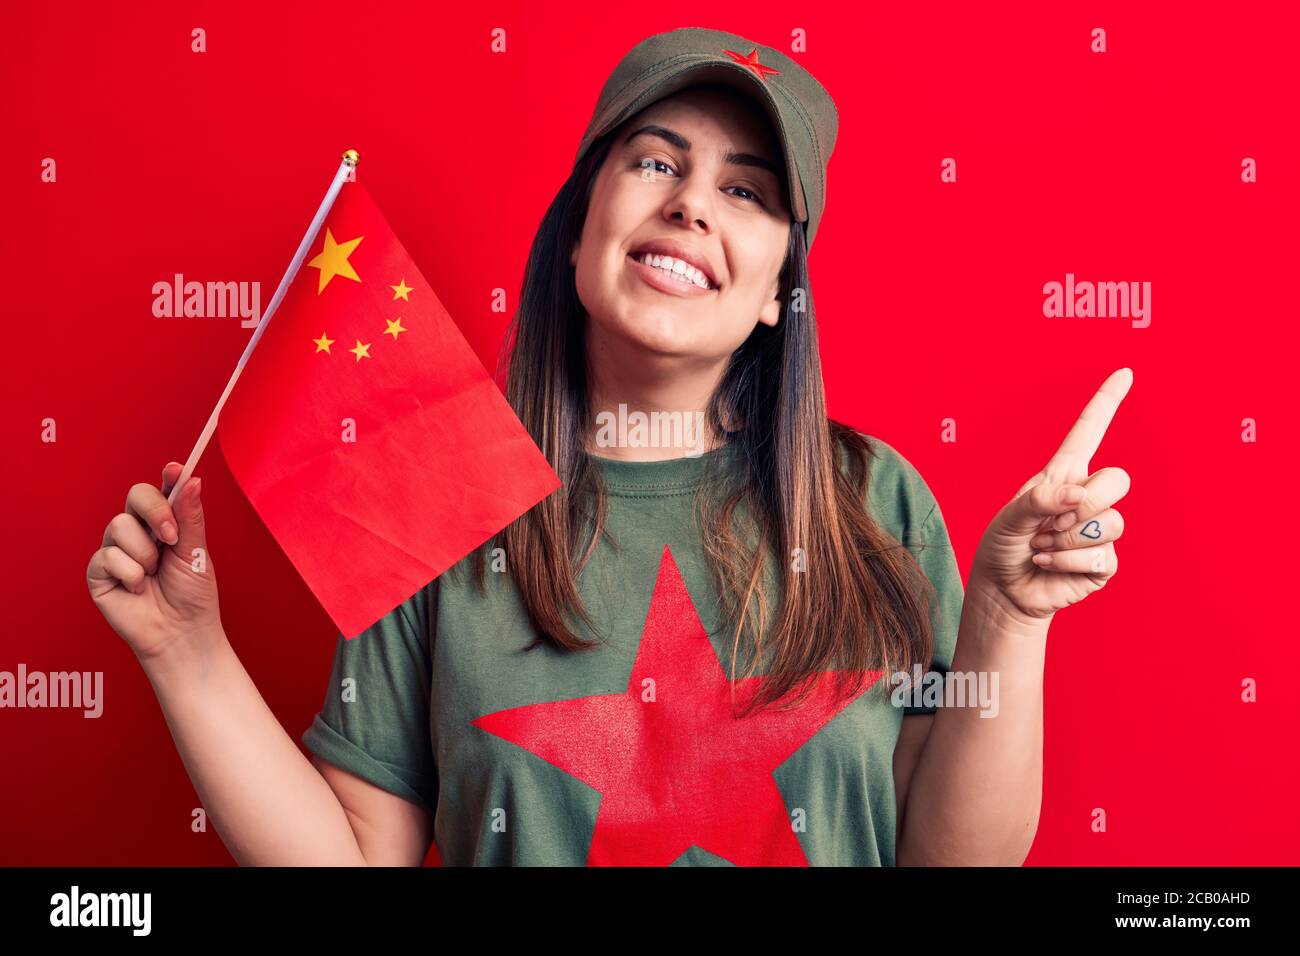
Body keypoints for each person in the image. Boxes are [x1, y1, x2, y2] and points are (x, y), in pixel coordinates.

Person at [86, 27, 1131, 866]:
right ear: (582, 223)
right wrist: (188, 653)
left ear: (779, 292)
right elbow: (358, 853)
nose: (688, 202)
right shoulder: (442, 490)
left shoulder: (875, 501)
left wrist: (1005, 619)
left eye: (746, 191)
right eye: (655, 160)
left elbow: (954, 858)